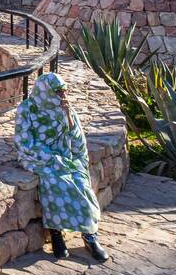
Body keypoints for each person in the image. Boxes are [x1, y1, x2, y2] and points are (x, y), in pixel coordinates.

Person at [14, 73, 109, 262]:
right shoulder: (27, 109)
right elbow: (24, 142)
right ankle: (56, 233)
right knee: (54, 182)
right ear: (45, 91)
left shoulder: (65, 109)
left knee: (81, 183)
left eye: (64, 92)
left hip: (67, 158)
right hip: (40, 158)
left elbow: (77, 142)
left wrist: (68, 117)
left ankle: (90, 234)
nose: (62, 96)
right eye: (58, 92)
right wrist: (52, 158)